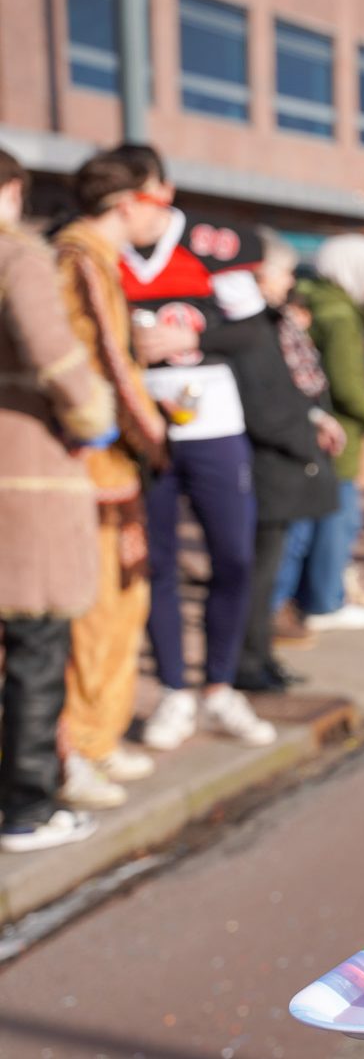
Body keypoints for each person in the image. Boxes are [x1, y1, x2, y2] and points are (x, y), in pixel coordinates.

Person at [117, 150, 276, 751]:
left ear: (162, 190)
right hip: (142, 427)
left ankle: (220, 685)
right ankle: (175, 691)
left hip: (212, 422)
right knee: (155, 562)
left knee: (232, 557)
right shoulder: (102, 247)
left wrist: (195, 333)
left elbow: (255, 326)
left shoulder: (213, 241)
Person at [0, 147, 115, 850]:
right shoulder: (17, 255)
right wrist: (91, 414)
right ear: (11, 190)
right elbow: (53, 352)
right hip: (26, 475)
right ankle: (28, 806)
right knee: (37, 643)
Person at [53, 147, 173, 800]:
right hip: (93, 467)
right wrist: (154, 431)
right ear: (129, 201)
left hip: (110, 465)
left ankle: (100, 737)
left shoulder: (91, 261)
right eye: (161, 197)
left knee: (123, 603)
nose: (166, 211)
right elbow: (107, 362)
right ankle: (82, 745)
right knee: (98, 611)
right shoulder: (81, 259)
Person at [233, 230, 343, 693]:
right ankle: (246, 663)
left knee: (269, 568)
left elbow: (299, 387)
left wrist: (315, 418)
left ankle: (260, 657)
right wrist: (305, 436)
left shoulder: (273, 320)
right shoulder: (249, 326)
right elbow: (263, 402)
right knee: (257, 574)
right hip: (268, 463)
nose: (287, 281)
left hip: (287, 459)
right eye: (281, 272)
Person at [279, 234, 364, 633]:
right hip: (338, 432)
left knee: (315, 517)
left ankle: (306, 599)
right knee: (336, 519)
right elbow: (346, 383)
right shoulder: (342, 316)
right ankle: (325, 601)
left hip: (314, 427)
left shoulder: (319, 304)